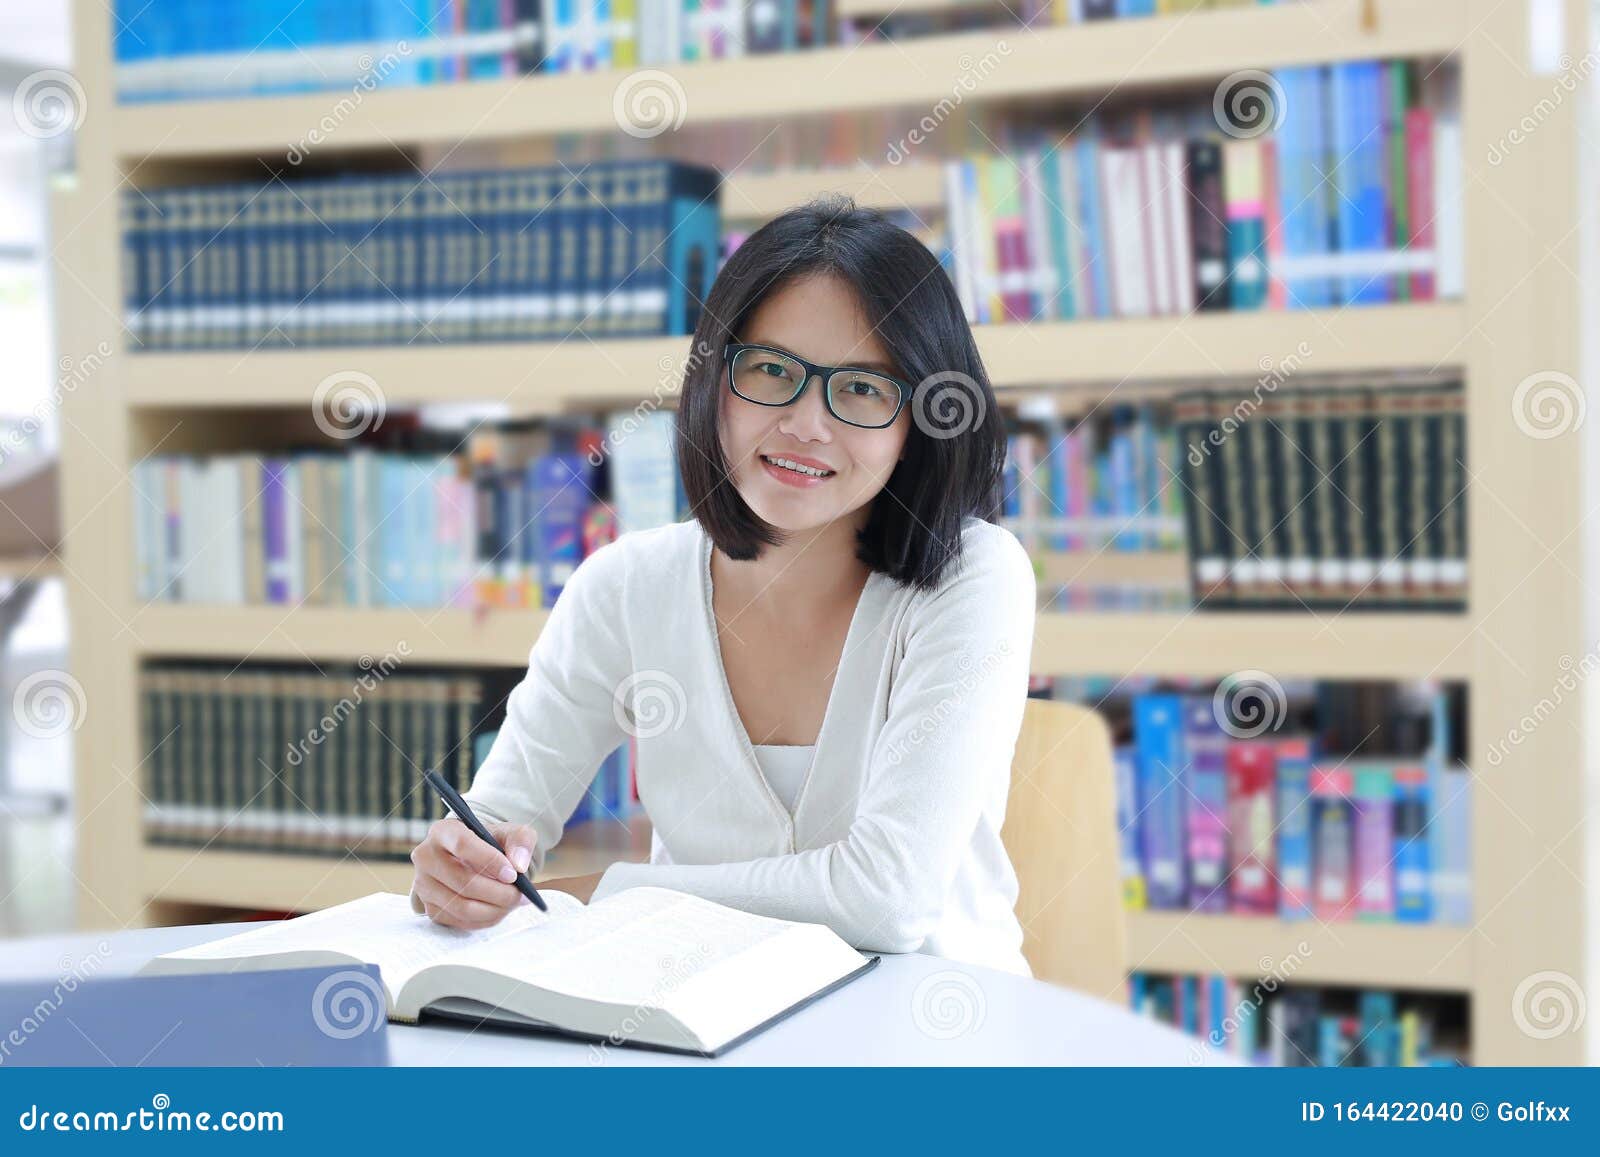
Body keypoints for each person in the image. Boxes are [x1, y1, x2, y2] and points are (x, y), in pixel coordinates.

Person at [409, 195, 1038, 974]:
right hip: (697, 1025)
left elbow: (886, 899)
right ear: (714, 378)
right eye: (771, 370)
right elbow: (500, 822)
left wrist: (609, 891)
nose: (808, 423)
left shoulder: (972, 578)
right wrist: (461, 868)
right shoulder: (626, 587)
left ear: (921, 425)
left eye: (864, 389)